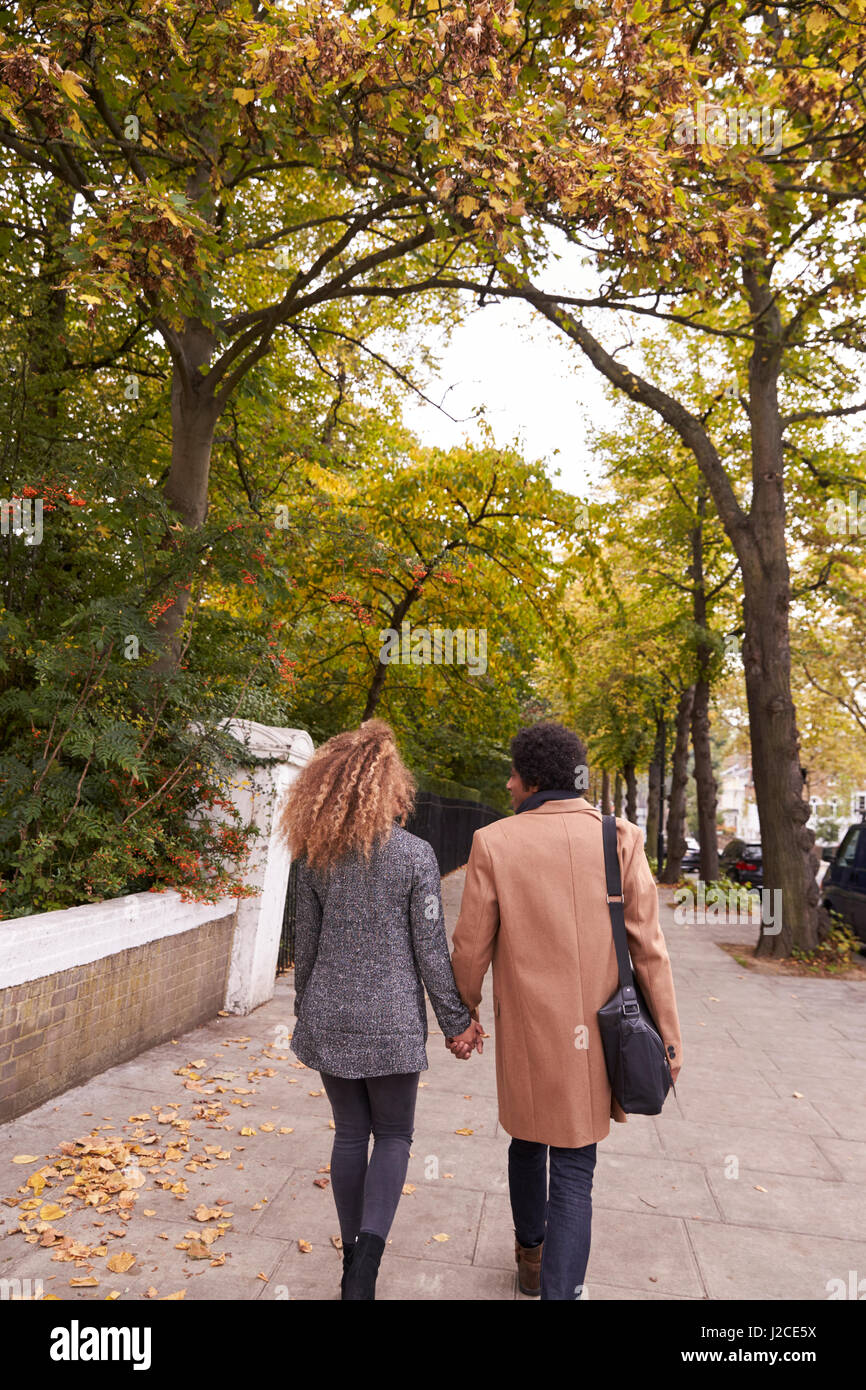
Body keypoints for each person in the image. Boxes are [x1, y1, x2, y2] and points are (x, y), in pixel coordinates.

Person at [448, 721, 683, 1300]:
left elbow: (470, 946)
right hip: (598, 1035)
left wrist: (465, 1013)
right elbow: (648, 950)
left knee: (526, 1141)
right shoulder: (620, 838)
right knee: (576, 1167)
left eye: (511, 774)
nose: (507, 785)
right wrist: (670, 1040)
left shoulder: (494, 842)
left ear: (528, 780)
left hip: (528, 1034)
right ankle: (563, 1292)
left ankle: (531, 1258)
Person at [278, 719, 483, 1300]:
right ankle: (366, 1265)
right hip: (392, 1021)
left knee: (349, 1134)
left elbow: (306, 949)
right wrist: (457, 1023)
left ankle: (351, 1267)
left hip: (329, 1015)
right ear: (389, 790)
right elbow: (429, 951)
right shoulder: (416, 857)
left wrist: (306, 1017)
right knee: (393, 1135)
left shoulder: (315, 857)